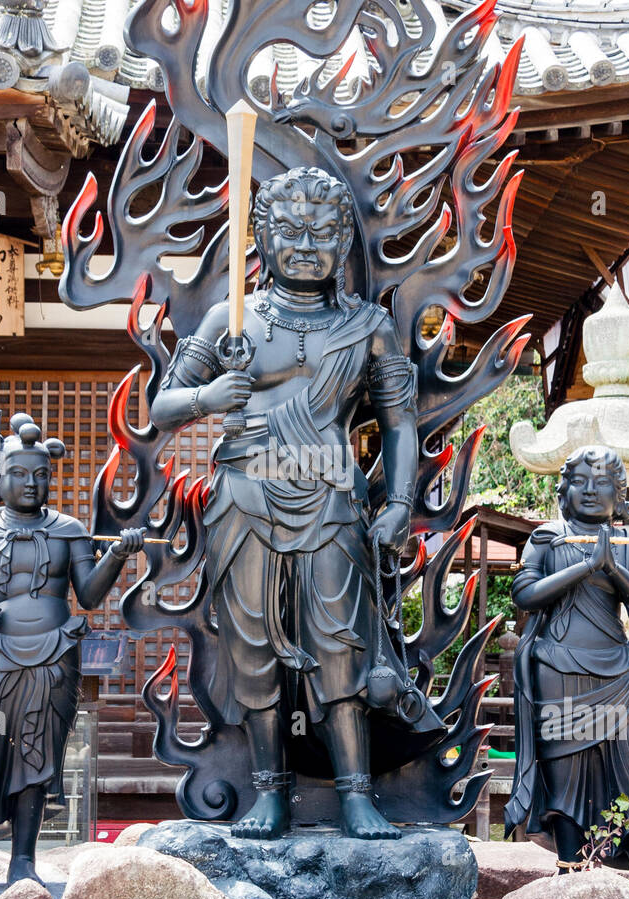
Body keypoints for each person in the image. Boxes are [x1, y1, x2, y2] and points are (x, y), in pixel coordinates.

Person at [150, 165, 431, 839]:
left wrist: (397, 501)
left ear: (343, 242)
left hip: (332, 499)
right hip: (244, 500)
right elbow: (161, 407)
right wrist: (207, 399)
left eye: (323, 231)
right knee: (252, 647)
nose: (305, 244)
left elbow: (399, 421)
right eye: (289, 230)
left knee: (341, 643)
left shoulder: (367, 326)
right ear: (262, 238)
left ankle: (357, 793)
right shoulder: (231, 319)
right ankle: (270, 792)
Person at [0, 414, 143, 892]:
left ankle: (23, 860)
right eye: (20, 473)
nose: (33, 483)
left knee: (36, 757)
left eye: (41, 474)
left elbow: (91, 594)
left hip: (55, 654)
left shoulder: (69, 529)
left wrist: (118, 555)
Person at [505, 445, 629, 885]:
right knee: (564, 772)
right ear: (563, 491)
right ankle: (571, 864)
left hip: (619, 674)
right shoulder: (546, 539)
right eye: (580, 482)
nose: (590, 490)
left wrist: (613, 568)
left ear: (619, 496)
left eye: (602, 482)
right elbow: (525, 595)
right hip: (558, 669)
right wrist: (586, 565)